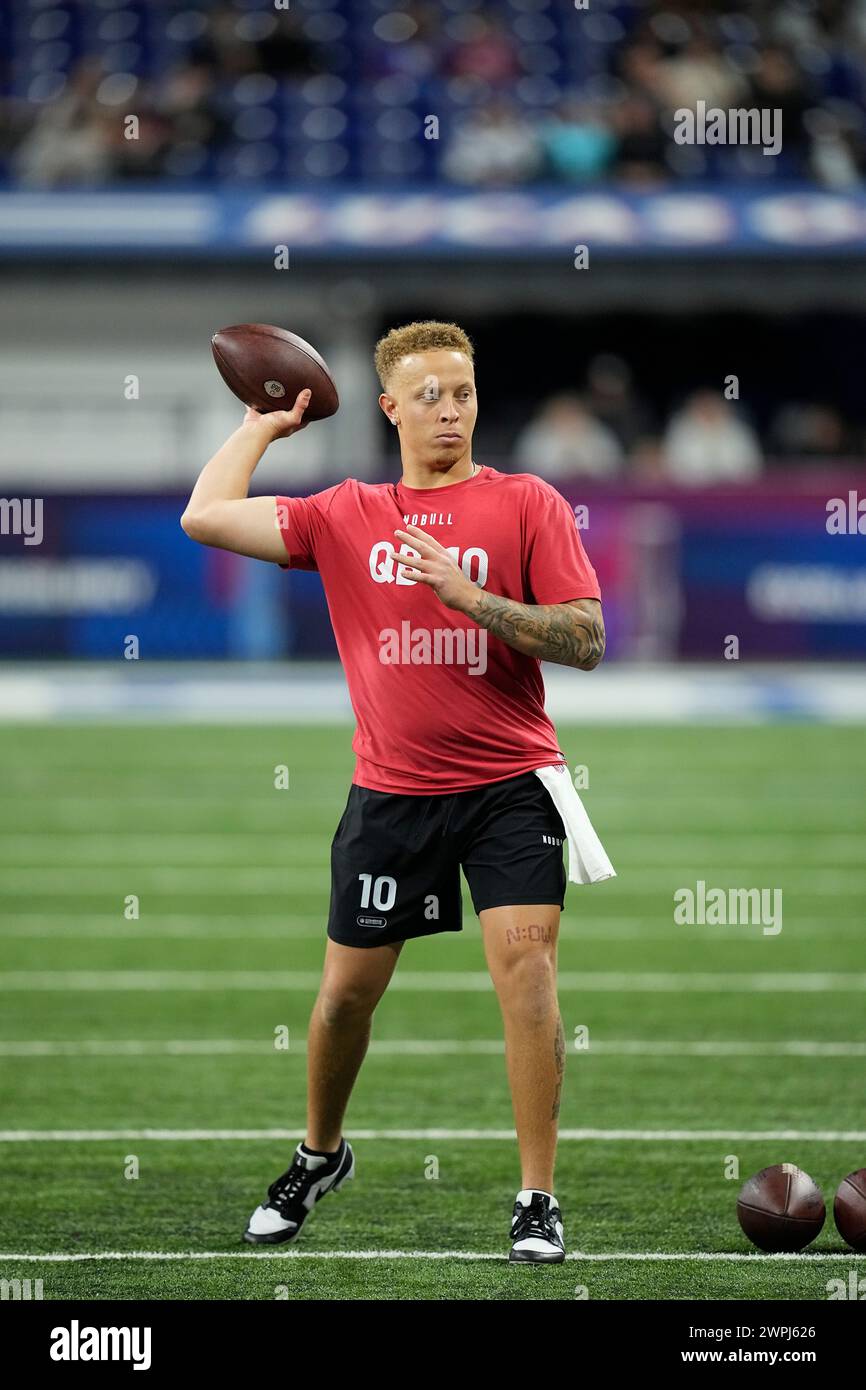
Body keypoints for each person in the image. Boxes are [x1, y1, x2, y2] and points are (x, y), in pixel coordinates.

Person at [180, 320, 612, 1265]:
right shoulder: (346, 513)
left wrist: (471, 599)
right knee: (343, 1001)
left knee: (529, 978)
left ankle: (537, 1197)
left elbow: (586, 640)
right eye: (428, 396)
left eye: (461, 392)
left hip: (512, 787)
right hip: (394, 794)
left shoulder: (528, 502)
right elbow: (206, 516)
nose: (449, 410)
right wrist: (264, 423)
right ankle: (320, 1152)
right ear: (390, 409)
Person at [513, 393, 624, 479]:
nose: (568, 417)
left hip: (594, 498)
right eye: (563, 412)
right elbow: (526, 470)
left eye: (573, 412)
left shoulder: (598, 434)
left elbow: (613, 469)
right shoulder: (536, 435)